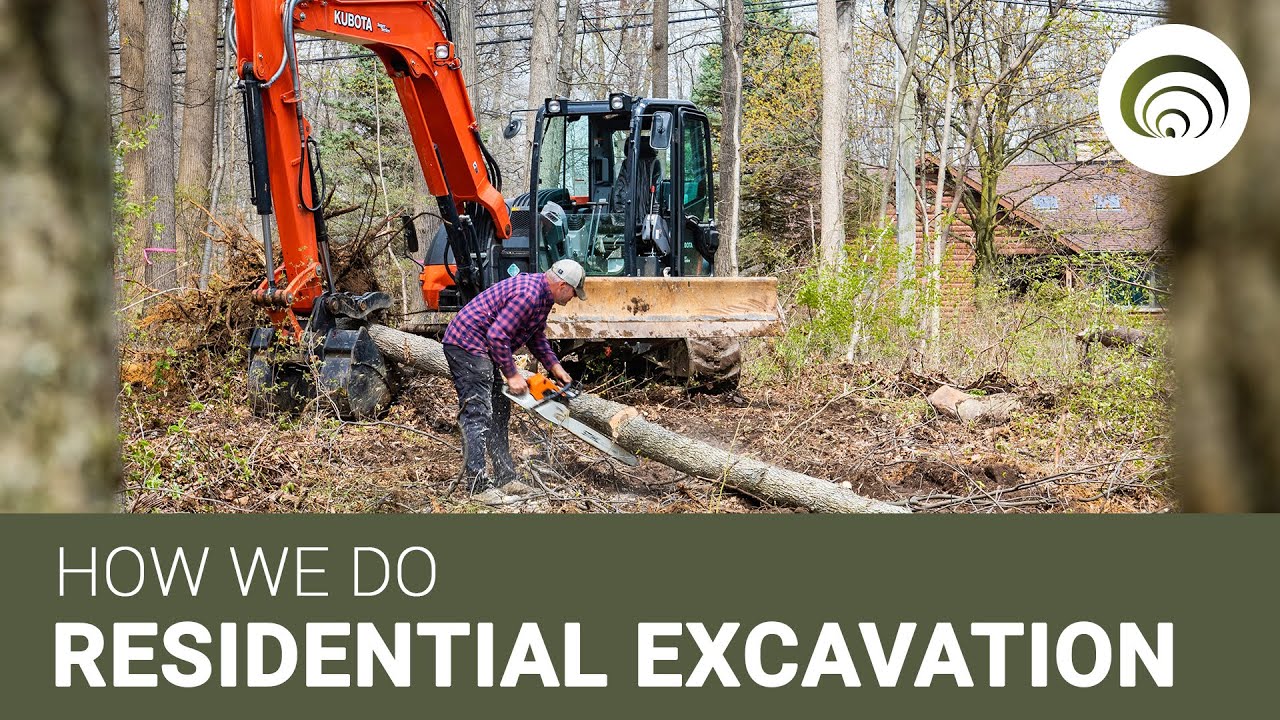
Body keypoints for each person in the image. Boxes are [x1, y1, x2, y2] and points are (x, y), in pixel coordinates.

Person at [441, 259, 587, 492]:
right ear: (562, 286)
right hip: (466, 344)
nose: (573, 298)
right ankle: (477, 487)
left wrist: (555, 367)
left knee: (499, 410)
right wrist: (512, 375)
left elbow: (536, 337)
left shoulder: (543, 297)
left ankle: (505, 478)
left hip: (482, 348)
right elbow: (497, 335)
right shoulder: (529, 295)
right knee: (478, 413)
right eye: (573, 293)